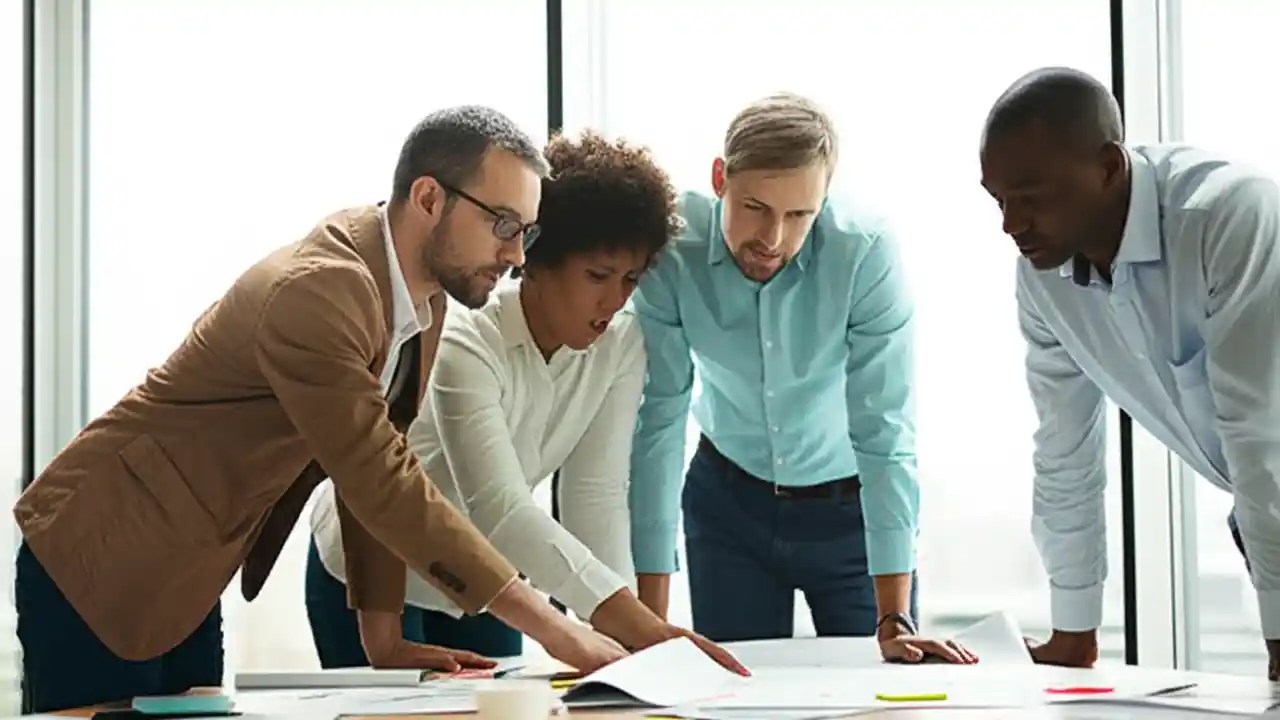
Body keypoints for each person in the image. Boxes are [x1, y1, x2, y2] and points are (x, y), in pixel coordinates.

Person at [12, 106, 632, 714]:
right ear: (427, 199)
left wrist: (382, 640)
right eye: (503, 224)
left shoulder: (420, 301)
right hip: (101, 550)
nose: (518, 255)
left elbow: (377, 461)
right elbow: (383, 480)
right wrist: (556, 629)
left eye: (527, 232)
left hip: (187, 572)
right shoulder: (322, 291)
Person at [306, 130, 745, 675]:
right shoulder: (466, 340)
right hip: (375, 576)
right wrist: (637, 623)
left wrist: (633, 644)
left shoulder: (622, 343)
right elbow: (500, 507)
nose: (616, 299)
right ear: (535, 259)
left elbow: (595, 494)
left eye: (631, 278)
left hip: (490, 579)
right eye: (597, 276)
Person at [627, 92, 976, 665]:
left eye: (799, 216)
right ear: (720, 178)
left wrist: (894, 615)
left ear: (824, 201)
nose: (773, 238)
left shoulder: (865, 254)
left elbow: (885, 433)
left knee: (882, 692)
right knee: (735, 698)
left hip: (849, 516)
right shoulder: (673, 248)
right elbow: (660, 420)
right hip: (728, 507)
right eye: (755, 207)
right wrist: (647, 624)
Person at [979, 66, 1280, 679]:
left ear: (1110, 168)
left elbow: (1261, 438)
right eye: (998, 200)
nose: (1011, 224)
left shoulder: (1227, 216)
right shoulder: (1043, 280)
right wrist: (1073, 630)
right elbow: (1064, 449)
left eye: (1031, 197)